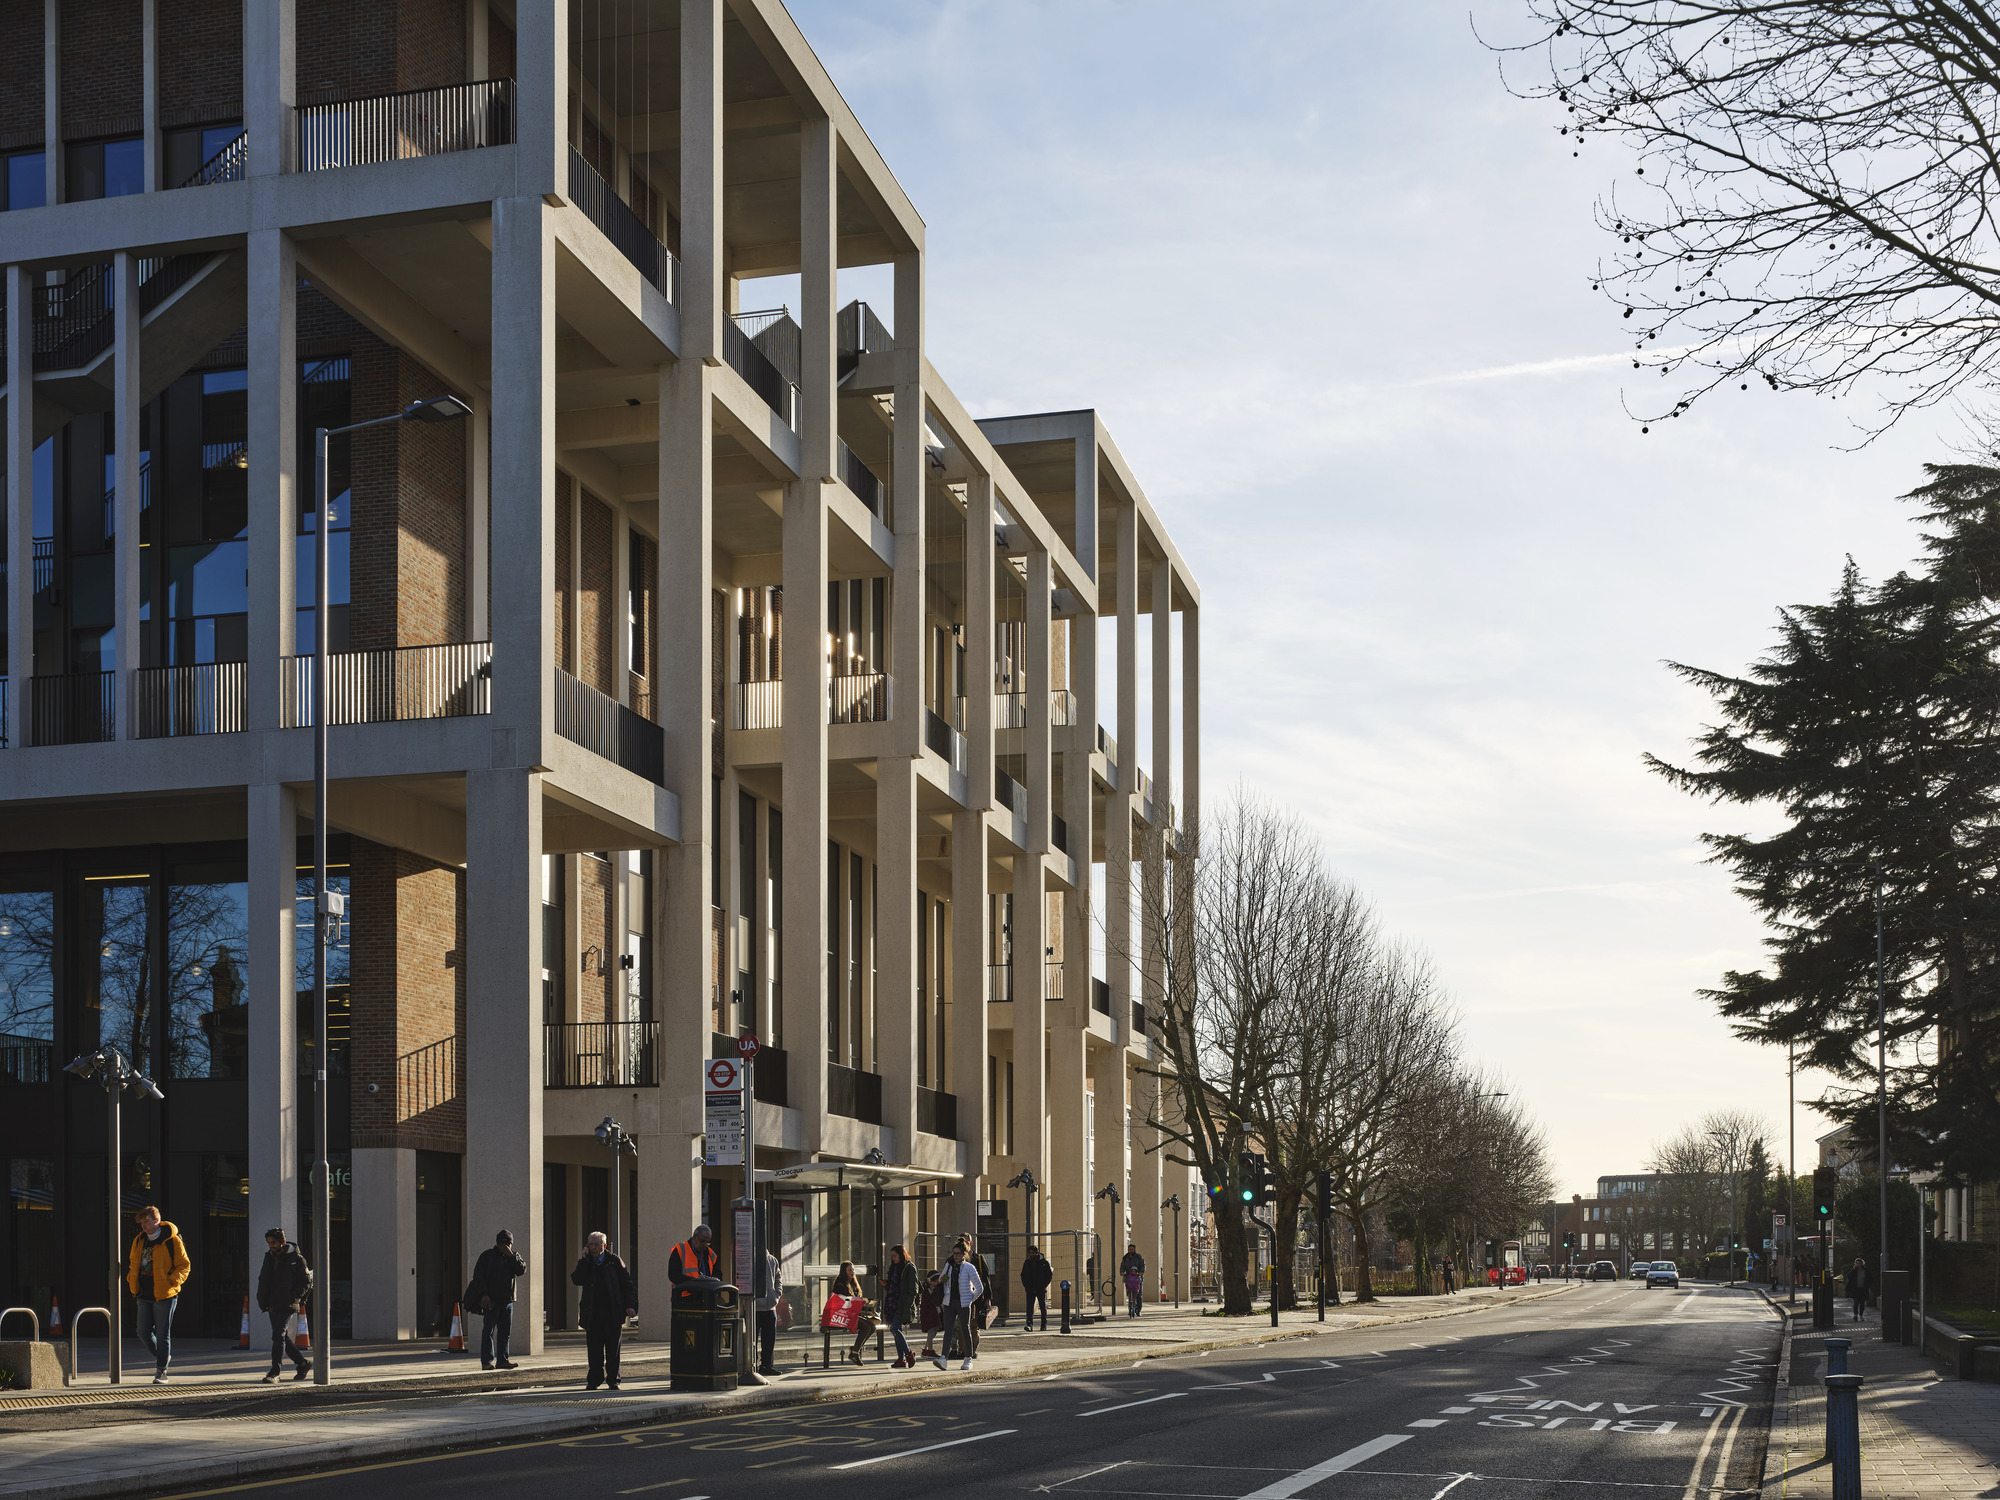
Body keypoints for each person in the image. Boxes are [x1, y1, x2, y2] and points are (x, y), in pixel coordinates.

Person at [126, 1206, 191, 1385]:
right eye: (141, 1223)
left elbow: (184, 1265)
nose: (143, 1226)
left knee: (163, 1334)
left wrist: (173, 1281)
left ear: (156, 1220)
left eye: (146, 1222)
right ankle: (163, 1355)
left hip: (165, 1293)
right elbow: (133, 1263)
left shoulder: (172, 1240)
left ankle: (161, 1371)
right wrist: (132, 1280)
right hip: (143, 1293)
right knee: (142, 1332)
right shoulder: (139, 1240)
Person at [572, 1231, 637, 1390]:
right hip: (592, 1313)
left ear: (604, 1246)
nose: (593, 1248)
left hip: (612, 1313)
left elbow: (627, 1285)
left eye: (596, 1245)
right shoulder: (587, 1262)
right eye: (590, 1245)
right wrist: (584, 1260)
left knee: (613, 1350)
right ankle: (594, 1380)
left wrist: (631, 1305)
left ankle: (614, 1379)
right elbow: (576, 1279)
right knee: (594, 1350)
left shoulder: (614, 1262)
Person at [254, 1227, 312, 1384]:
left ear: (282, 1242)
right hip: (272, 1303)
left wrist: (293, 1297)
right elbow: (263, 1279)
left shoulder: (297, 1259)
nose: (271, 1246)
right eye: (268, 1243)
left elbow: (306, 1282)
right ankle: (302, 1363)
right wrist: (262, 1299)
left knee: (278, 1335)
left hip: (288, 1303)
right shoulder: (270, 1257)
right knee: (282, 1336)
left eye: (273, 1243)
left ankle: (275, 1371)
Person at [467, 1229, 527, 1371]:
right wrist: (484, 1294)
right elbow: (478, 1276)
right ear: (498, 1243)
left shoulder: (513, 1257)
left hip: (508, 1301)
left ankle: (503, 1360)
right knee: (488, 1331)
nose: (507, 1246)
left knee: (505, 1332)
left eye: (509, 1243)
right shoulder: (488, 1256)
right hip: (492, 1301)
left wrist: (511, 1256)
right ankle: (487, 1361)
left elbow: (521, 1270)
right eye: (504, 1243)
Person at [932, 1243, 985, 1372]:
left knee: (965, 1329)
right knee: (948, 1330)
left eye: (958, 1253)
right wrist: (942, 1279)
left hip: (963, 1304)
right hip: (949, 1302)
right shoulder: (949, 1265)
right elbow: (941, 1279)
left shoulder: (969, 1268)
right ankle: (943, 1358)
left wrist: (969, 1299)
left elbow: (979, 1288)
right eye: (954, 1253)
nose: (955, 1256)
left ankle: (968, 1358)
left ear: (964, 1254)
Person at [831, 1260, 879, 1365]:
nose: (852, 1272)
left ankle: (855, 1350)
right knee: (866, 1327)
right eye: (849, 1270)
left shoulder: (852, 1283)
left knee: (872, 1327)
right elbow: (843, 1302)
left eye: (853, 1269)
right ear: (844, 1271)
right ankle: (854, 1352)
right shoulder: (840, 1284)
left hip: (852, 1315)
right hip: (843, 1316)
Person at [882, 1244, 918, 1368]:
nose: (893, 1258)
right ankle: (901, 1359)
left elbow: (913, 1289)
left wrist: (908, 1304)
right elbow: (894, 1287)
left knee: (894, 1329)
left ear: (901, 1255)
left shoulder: (909, 1267)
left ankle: (908, 1354)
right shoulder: (894, 1268)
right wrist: (886, 1284)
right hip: (893, 1303)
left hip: (902, 1303)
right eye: (892, 1256)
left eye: (895, 1256)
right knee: (896, 1330)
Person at [755, 1247, 782, 1376]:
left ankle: (766, 1365)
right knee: (752, 1339)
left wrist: (776, 1295)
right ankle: (751, 1365)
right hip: (754, 1307)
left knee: (769, 1339)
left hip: (770, 1307)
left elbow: (778, 1278)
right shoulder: (750, 1258)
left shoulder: (772, 1260)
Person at [1020, 1244, 1052, 1332]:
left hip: (1040, 1288)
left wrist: (1043, 1285)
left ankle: (1043, 1325)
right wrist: (1026, 1286)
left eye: (1033, 1253)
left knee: (1042, 1306)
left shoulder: (1044, 1263)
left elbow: (1049, 1275)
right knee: (1030, 1307)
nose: (1031, 1255)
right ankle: (1029, 1324)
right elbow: (1023, 1275)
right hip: (1030, 1288)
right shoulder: (1027, 1262)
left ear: (1037, 1253)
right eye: (1030, 1253)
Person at [917, 1266, 944, 1360]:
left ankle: (926, 1350)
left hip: (936, 1313)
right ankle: (930, 1350)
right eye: (934, 1281)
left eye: (937, 1281)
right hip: (929, 1314)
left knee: (933, 1333)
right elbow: (927, 1302)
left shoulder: (937, 1287)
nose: (935, 1283)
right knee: (931, 1332)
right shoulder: (926, 1290)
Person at [1119, 1243, 1146, 1318]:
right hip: (1129, 1278)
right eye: (1130, 1249)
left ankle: (1138, 1310)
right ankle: (1130, 1309)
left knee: (1139, 1294)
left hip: (1137, 1278)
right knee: (1129, 1294)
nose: (1131, 1251)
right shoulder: (1125, 1258)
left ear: (1135, 1250)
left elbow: (1142, 1266)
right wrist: (1122, 1272)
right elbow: (1122, 1266)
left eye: (1132, 1249)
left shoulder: (1138, 1257)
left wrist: (1141, 1272)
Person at [1847, 1257, 1871, 1323]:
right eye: (1857, 1263)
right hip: (1855, 1289)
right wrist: (1853, 1270)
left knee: (1862, 1303)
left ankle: (1861, 1315)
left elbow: (1869, 1279)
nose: (1858, 1265)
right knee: (1856, 1303)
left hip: (1863, 1289)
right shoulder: (1854, 1271)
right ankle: (1855, 1315)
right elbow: (1849, 1276)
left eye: (1859, 1263)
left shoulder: (1865, 1271)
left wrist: (1867, 1286)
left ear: (1862, 1264)